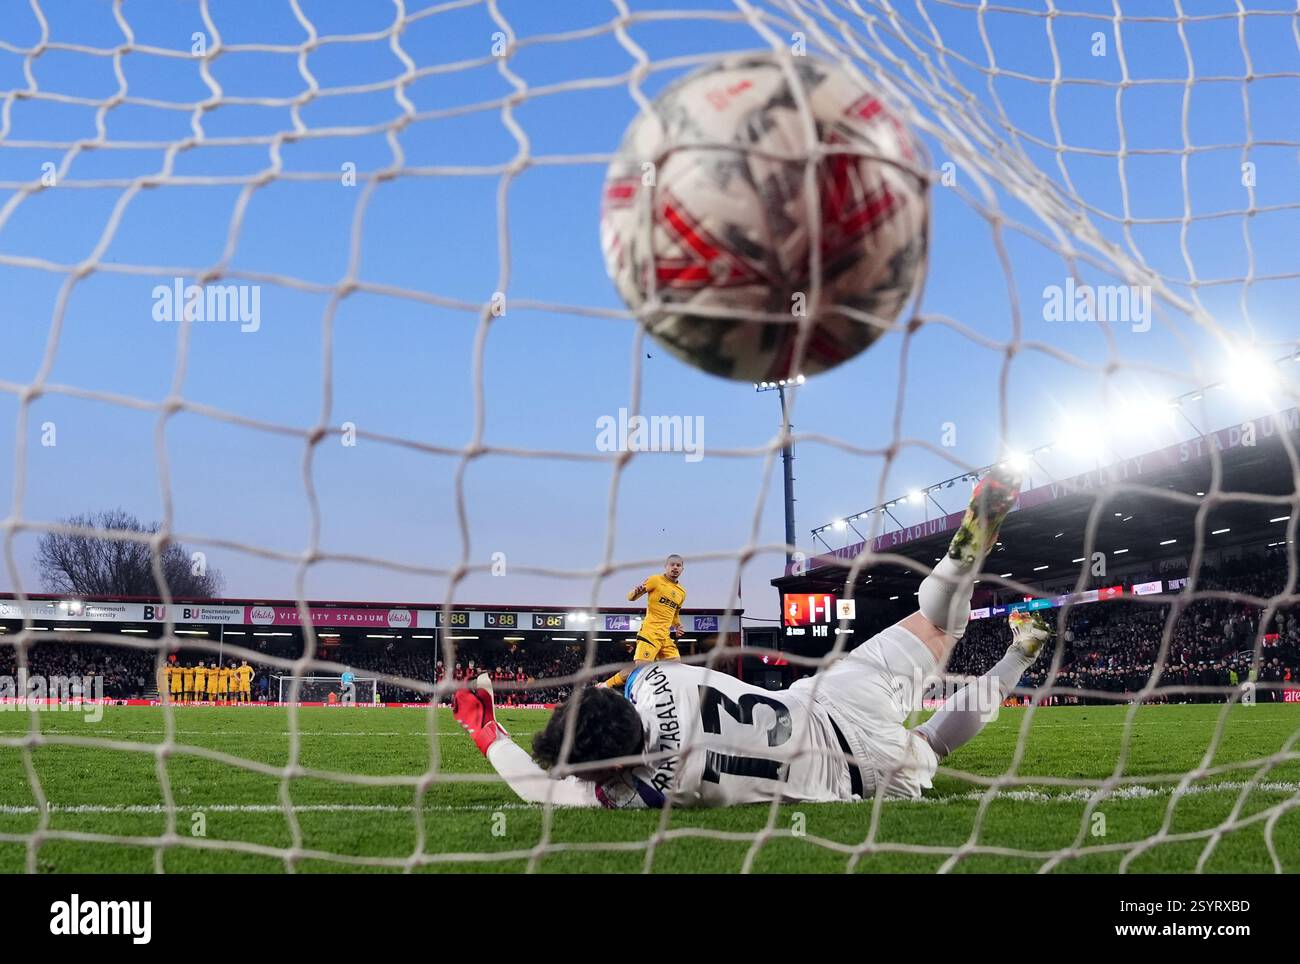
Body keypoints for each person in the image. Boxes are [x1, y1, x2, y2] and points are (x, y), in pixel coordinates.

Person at [455, 465, 1051, 808]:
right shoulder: (654, 676)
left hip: (854, 777)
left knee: (933, 746)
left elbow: (536, 789)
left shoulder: (638, 793)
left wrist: (482, 728)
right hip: (834, 698)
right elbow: (622, 684)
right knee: (944, 622)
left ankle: (1018, 657)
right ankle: (959, 563)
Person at [604, 554, 687, 689]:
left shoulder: (682, 592)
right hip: (649, 634)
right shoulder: (655, 580)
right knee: (640, 670)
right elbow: (630, 597)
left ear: (682, 569)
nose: (675, 568)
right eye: (672, 565)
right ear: (666, 567)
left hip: (665, 637)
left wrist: (677, 626)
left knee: (676, 668)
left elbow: (674, 614)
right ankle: (605, 685)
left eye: (678, 565)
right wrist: (636, 592)